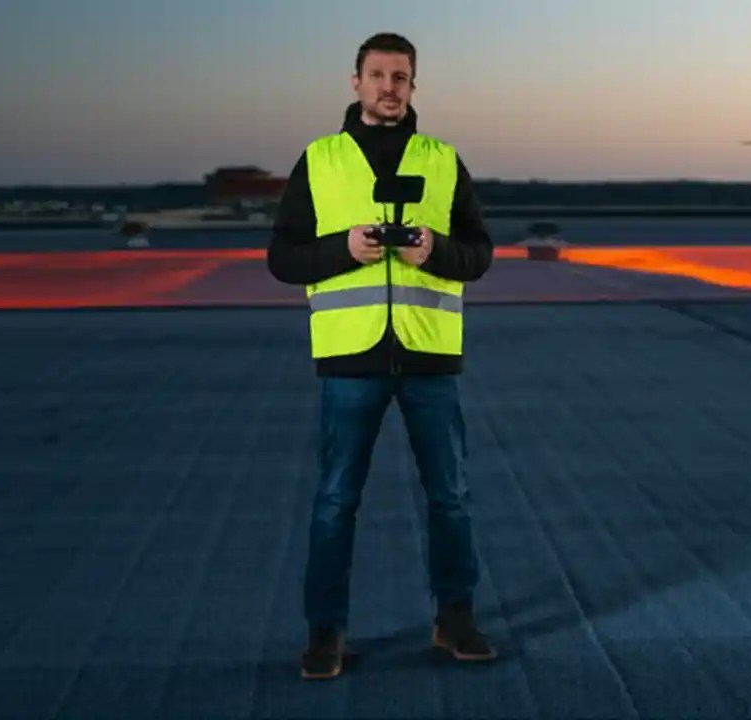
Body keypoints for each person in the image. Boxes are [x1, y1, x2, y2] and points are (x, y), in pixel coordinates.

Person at [266, 31, 496, 681]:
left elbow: (480, 253)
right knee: (336, 500)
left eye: (401, 77)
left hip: (429, 357)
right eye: (377, 75)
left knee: (450, 496)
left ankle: (455, 620)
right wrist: (344, 250)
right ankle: (326, 634)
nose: (388, 87)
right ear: (355, 82)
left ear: (413, 87)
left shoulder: (444, 161)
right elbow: (281, 258)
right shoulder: (320, 161)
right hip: (350, 359)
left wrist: (437, 252)